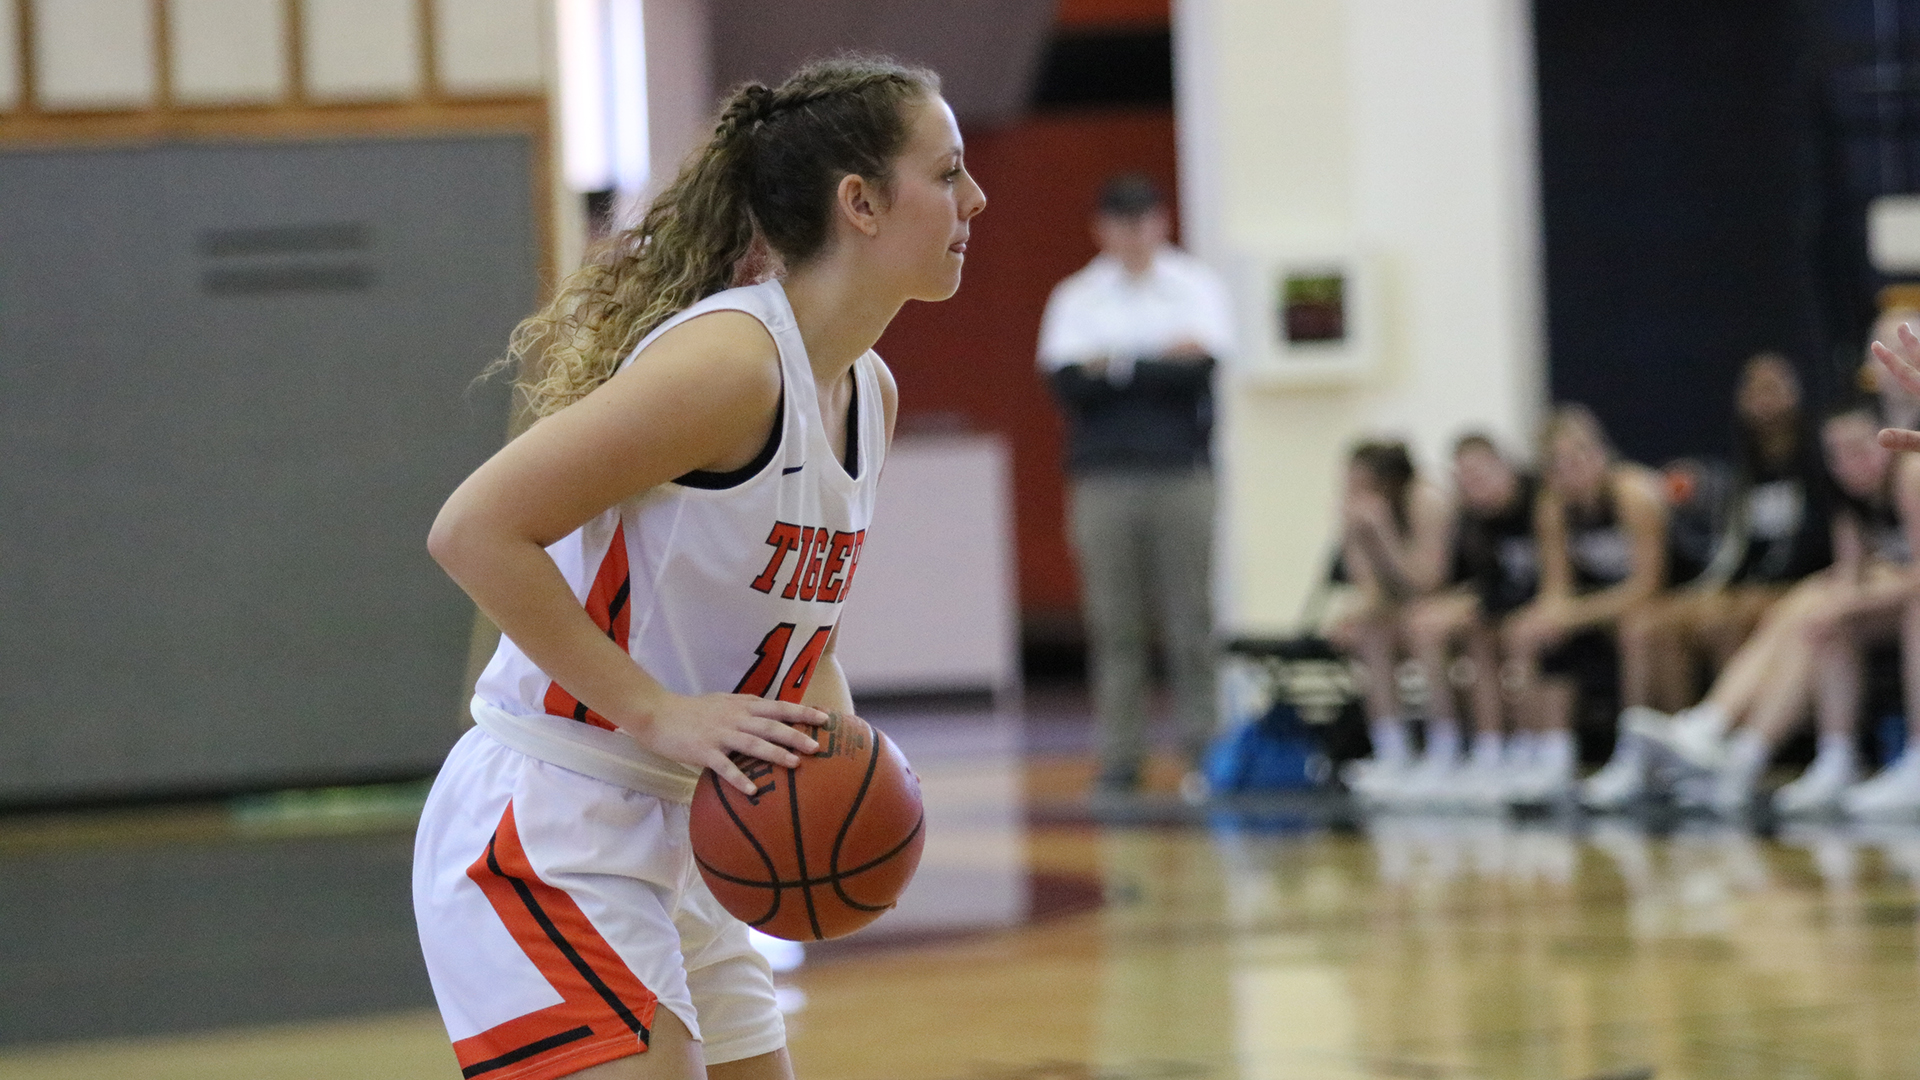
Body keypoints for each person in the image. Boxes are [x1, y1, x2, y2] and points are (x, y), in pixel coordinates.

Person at [413, 58, 985, 1080]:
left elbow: (799, 638)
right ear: (859, 202)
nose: (973, 200)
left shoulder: (868, 392)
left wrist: (836, 768)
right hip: (553, 819)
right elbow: (474, 530)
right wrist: (657, 711)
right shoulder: (729, 365)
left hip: (689, 830)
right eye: (946, 174)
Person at [1037, 173, 1234, 796]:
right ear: (1103, 229)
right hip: (1103, 479)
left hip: (1182, 475)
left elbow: (1200, 370)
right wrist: (1154, 363)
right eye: (1121, 221)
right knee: (1114, 623)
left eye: (1144, 219)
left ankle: (1205, 748)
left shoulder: (1195, 286)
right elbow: (1070, 386)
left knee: (1190, 618)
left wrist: (1115, 366)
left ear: (1162, 221)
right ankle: (1121, 755)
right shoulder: (1077, 297)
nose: (1134, 233)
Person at [1637, 405, 1920, 815]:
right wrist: (1835, 601)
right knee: (1811, 612)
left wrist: (1842, 601)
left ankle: (1729, 739)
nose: (1848, 464)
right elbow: (1851, 573)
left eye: (1860, 449)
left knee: (1822, 606)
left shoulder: (1910, 475)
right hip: (1891, 597)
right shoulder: (1847, 494)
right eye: (1836, 455)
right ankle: (1767, 749)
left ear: (1888, 440)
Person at [1581, 353, 1832, 809]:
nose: (1763, 402)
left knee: (1724, 622)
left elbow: (1818, 546)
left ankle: (1726, 748)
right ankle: (1666, 754)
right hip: (1747, 585)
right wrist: (1714, 589)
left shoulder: (1818, 457)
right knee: (1659, 623)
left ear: (1796, 395)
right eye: (1753, 390)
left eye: (1773, 388)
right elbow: (1736, 546)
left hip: (1803, 584)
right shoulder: (1747, 465)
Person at [1501, 405, 1669, 802]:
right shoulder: (1553, 507)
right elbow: (1556, 587)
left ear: (1601, 453)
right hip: (1605, 604)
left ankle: (1633, 758)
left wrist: (1572, 615)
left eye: (1578, 457)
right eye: (1557, 465)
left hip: (1670, 596)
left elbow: (1648, 585)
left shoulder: (1632, 495)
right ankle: (1548, 753)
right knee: (1531, 631)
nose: (1570, 471)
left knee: (1637, 629)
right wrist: (1546, 617)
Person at [1391, 434, 1540, 805]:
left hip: (1541, 607)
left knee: (1502, 633)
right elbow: (1479, 583)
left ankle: (1530, 750)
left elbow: (1542, 582)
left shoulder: (1541, 503)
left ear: (1504, 466)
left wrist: (1467, 606)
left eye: (1479, 473)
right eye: (1463, 478)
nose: (1472, 485)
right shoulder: (1473, 520)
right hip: (1504, 607)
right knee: (1436, 626)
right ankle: (1471, 750)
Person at [1324, 441, 1457, 803]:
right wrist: (1350, 617)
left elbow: (1427, 580)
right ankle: (1391, 750)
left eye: (1360, 484)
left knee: (1423, 630)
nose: (1352, 494)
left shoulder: (1425, 501)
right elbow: (1370, 592)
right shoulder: (1357, 513)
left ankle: (1445, 748)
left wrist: (1383, 533)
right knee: (1370, 635)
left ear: (1386, 483)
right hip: (1408, 609)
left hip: (1453, 601)